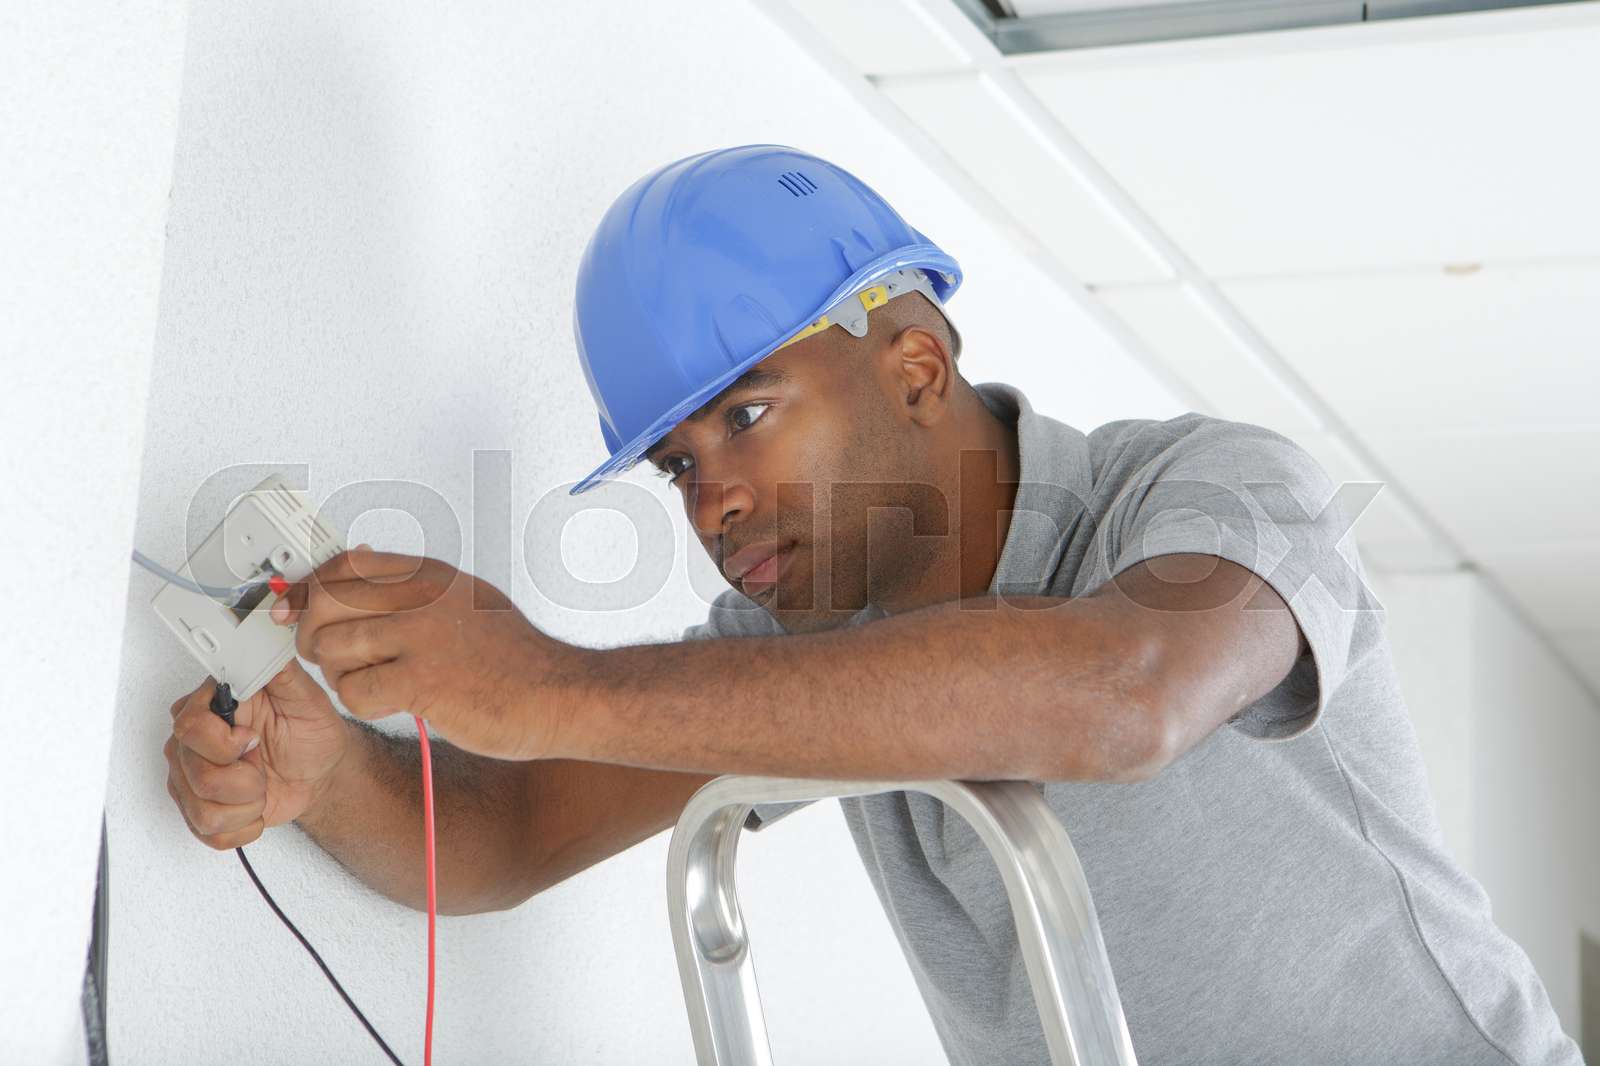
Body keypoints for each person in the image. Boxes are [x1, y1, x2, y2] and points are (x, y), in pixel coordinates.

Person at [164, 145, 1580, 1064]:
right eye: (677, 463)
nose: (710, 498)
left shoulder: (1209, 491)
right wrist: (330, 769)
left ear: (910, 364)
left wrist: (544, 681)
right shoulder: (806, 662)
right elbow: (505, 821)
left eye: (747, 415)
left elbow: (1124, 695)